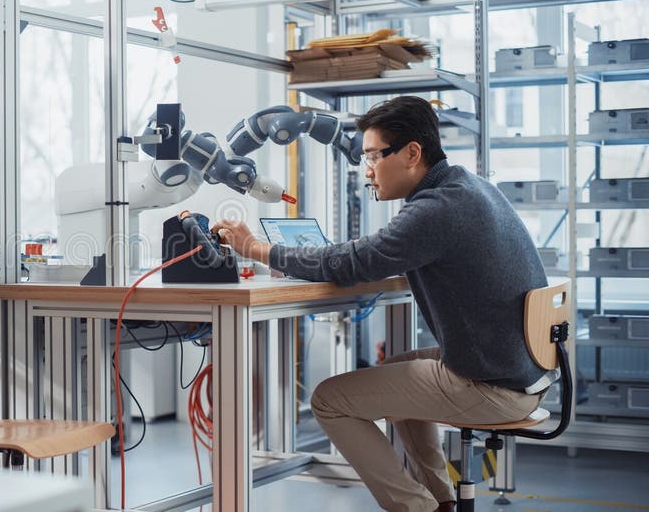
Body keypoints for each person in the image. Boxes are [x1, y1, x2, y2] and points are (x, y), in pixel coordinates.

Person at [211, 96, 551, 512]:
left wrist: (256, 249)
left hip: (492, 385)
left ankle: (417, 508)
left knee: (328, 400)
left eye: (373, 155)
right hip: (518, 370)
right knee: (394, 368)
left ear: (412, 153)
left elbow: (355, 261)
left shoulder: (437, 208)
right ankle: (442, 501)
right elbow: (369, 256)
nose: (366, 168)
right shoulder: (470, 186)